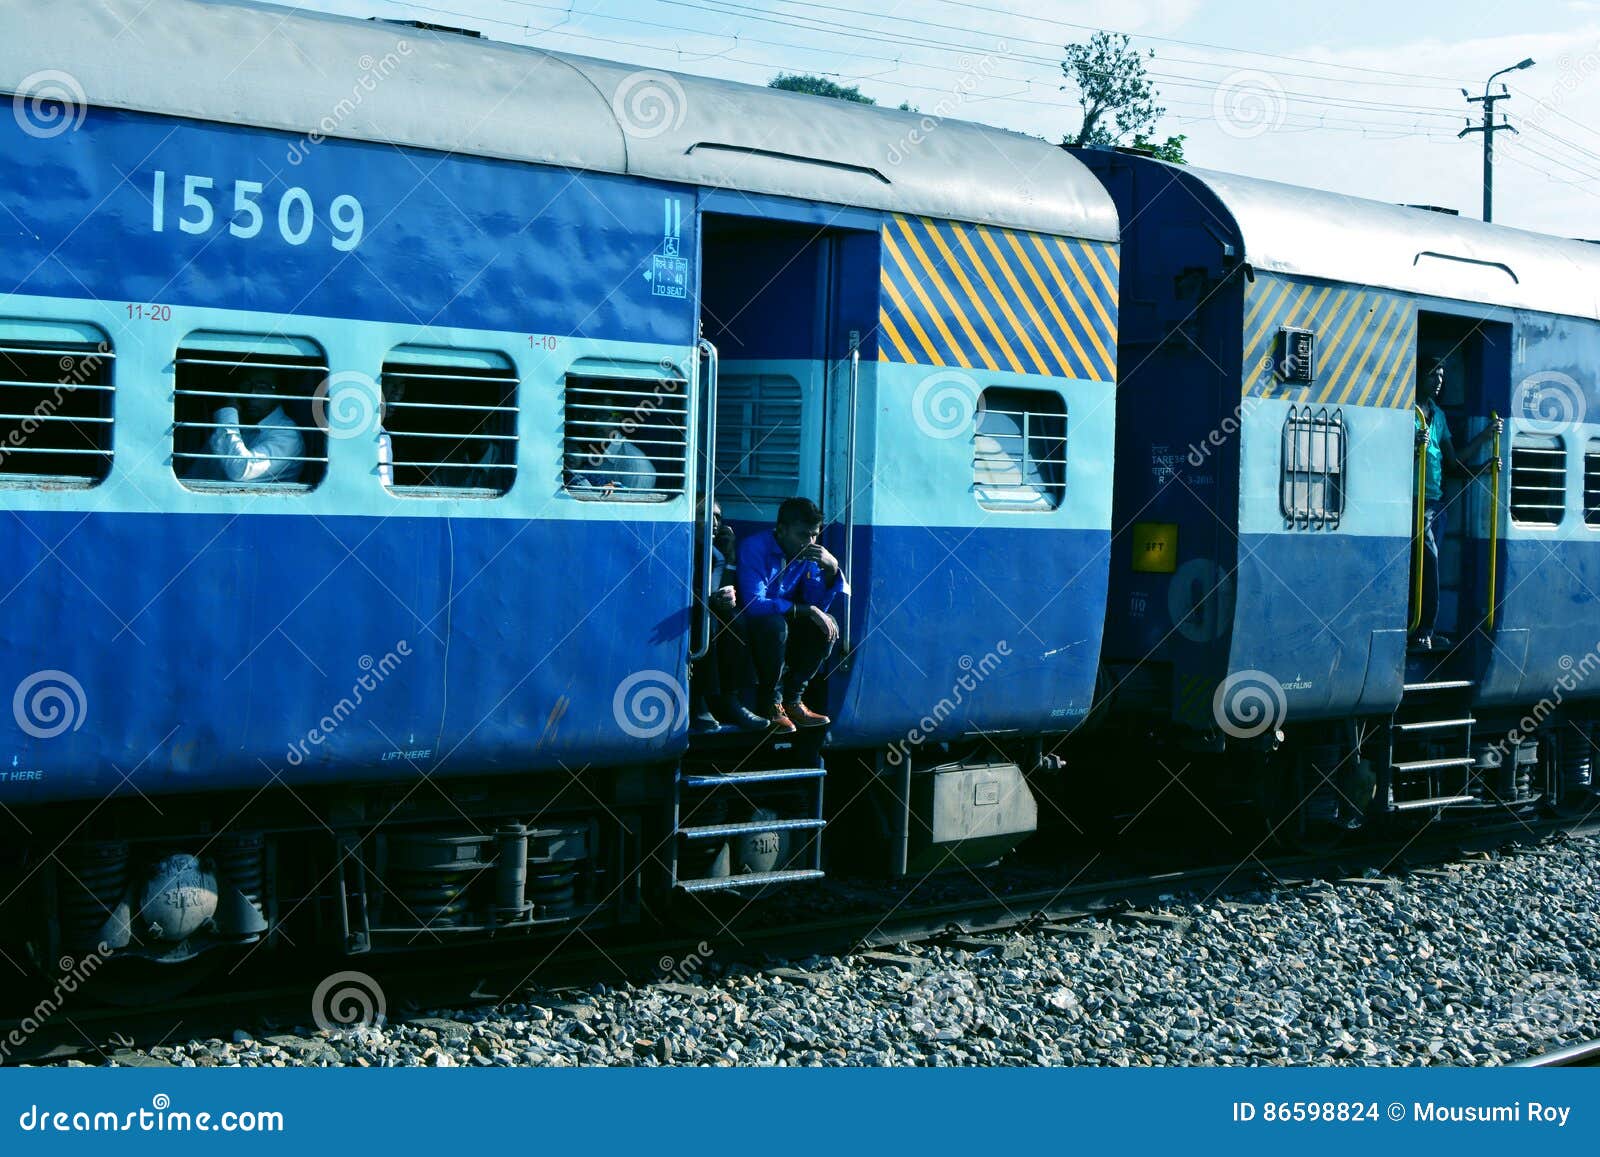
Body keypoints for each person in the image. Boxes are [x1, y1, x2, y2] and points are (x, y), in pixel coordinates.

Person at [735, 497, 849, 733]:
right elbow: (754, 604)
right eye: (803, 535)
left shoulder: (808, 554)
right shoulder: (754, 547)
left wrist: (831, 570)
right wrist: (807, 610)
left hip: (783, 618)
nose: (810, 542)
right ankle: (770, 702)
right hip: (751, 624)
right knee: (775, 625)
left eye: (814, 535)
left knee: (826, 625)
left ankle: (794, 700)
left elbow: (817, 605)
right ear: (781, 530)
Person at [1412, 359, 1502, 652]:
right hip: (1413, 501)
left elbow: (1453, 463)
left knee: (1427, 565)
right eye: (1433, 375)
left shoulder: (1437, 415)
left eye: (1442, 376)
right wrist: (1413, 446)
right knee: (1428, 560)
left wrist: (1484, 451)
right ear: (1418, 376)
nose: (1439, 381)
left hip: (1436, 504)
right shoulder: (1407, 411)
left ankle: (1424, 627)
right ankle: (1423, 629)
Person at [689, 503, 766, 733]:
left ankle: (729, 698)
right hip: (683, 611)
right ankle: (698, 700)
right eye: (704, 515)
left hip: (705, 606)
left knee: (734, 619)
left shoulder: (715, 552)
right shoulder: (686, 546)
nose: (714, 523)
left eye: (718, 517)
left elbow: (721, 591)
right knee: (705, 620)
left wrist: (729, 558)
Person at [204, 372, 304, 484]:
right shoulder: (240, 423)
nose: (251, 394)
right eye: (246, 385)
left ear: (280, 393)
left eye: (263, 387)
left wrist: (228, 411)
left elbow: (239, 470)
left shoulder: (288, 435)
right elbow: (199, 473)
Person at [568, 405, 657, 494]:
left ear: (618, 419)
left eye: (603, 416)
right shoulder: (579, 452)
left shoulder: (635, 466)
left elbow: (633, 501)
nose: (595, 421)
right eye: (589, 415)